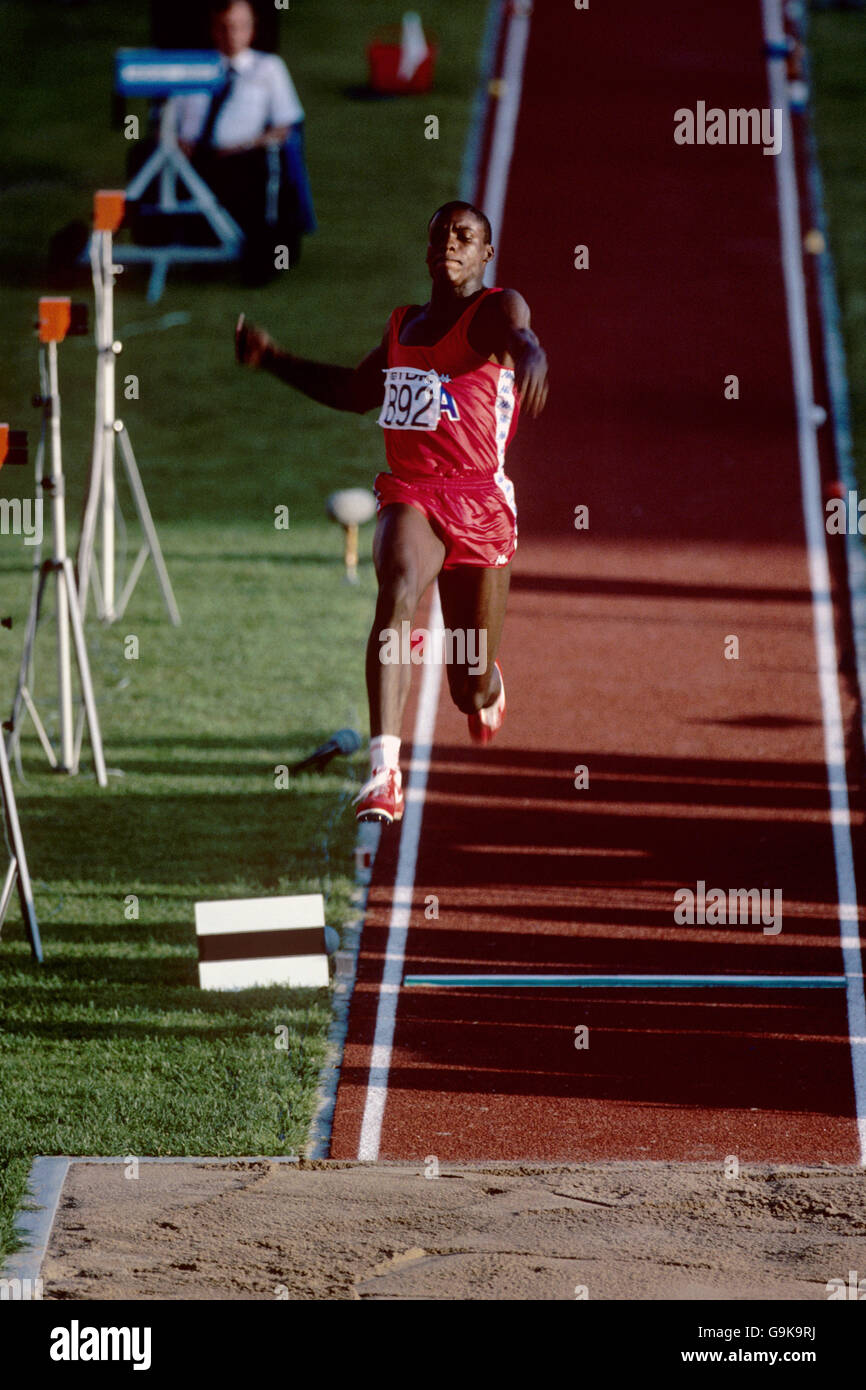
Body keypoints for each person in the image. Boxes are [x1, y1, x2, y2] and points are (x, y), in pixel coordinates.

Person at [235, 200, 549, 822]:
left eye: (465, 236)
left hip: (480, 499)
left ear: (485, 253)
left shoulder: (496, 310)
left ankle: (487, 683)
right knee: (398, 585)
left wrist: (533, 355)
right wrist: (272, 360)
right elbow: (356, 392)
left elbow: (520, 337)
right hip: (413, 490)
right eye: (440, 235)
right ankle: (384, 772)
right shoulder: (402, 326)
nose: (450, 244)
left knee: (470, 685)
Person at [175, 0, 309, 279]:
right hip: (193, 157)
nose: (231, 35)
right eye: (224, 28)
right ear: (213, 30)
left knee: (262, 167)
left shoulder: (268, 67)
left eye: (238, 27)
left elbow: (286, 125)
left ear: (251, 30)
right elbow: (169, 120)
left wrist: (246, 145)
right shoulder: (192, 68)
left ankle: (261, 257)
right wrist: (178, 143)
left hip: (244, 154)